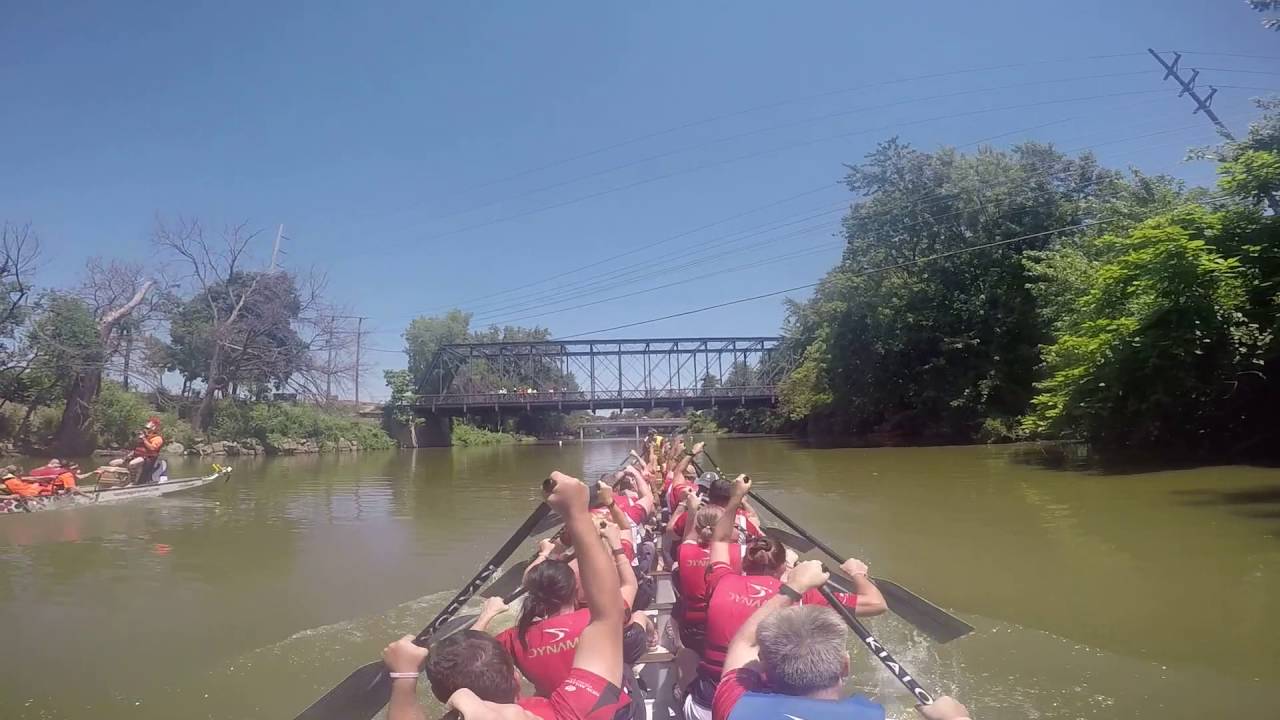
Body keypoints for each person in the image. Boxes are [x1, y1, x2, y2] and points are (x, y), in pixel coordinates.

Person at [383, 471, 630, 720]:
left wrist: (404, 679)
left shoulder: (515, 638)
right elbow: (608, 613)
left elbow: (472, 658)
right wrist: (577, 513)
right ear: (515, 678)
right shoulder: (570, 710)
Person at [685, 475, 886, 720]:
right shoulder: (805, 596)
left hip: (708, 702)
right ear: (783, 568)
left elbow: (720, 539)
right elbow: (876, 604)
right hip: (763, 703)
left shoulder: (721, 581)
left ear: (745, 561)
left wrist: (736, 497)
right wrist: (857, 573)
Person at [714, 559, 973, 720]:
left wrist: (794, 587)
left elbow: (744, 643)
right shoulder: (875, 717)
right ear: (845, 665)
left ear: (763, 665)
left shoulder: (733, 704)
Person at [474, 520, 638, 698]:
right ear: (575, 588)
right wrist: (616, 545)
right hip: (610, 708)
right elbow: (630, 584)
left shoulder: (514, 638)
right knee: (637, 623)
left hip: (556, 710)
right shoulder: (599, 617)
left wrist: (487, 614)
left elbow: (469, 655)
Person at [672, 495, 741, 654]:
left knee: (677, 570)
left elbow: (688, 538)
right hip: (724, 627)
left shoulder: (684, 550)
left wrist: (692, 510)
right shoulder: (737, 551)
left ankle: (680, 647)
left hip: (691, 629)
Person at [113, 417, 164, 485]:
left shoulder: (158, 438)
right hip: (136, 456)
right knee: (113, 463)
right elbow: (136, 448)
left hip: (148, 458)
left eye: (148, 428)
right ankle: (118, 481)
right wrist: (128, 456)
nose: (146, 430)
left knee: (132, 464)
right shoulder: (143, 436)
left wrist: (144, 439)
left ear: (154, 429)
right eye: (145, 428)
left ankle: (132, 482)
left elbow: (152, 449)